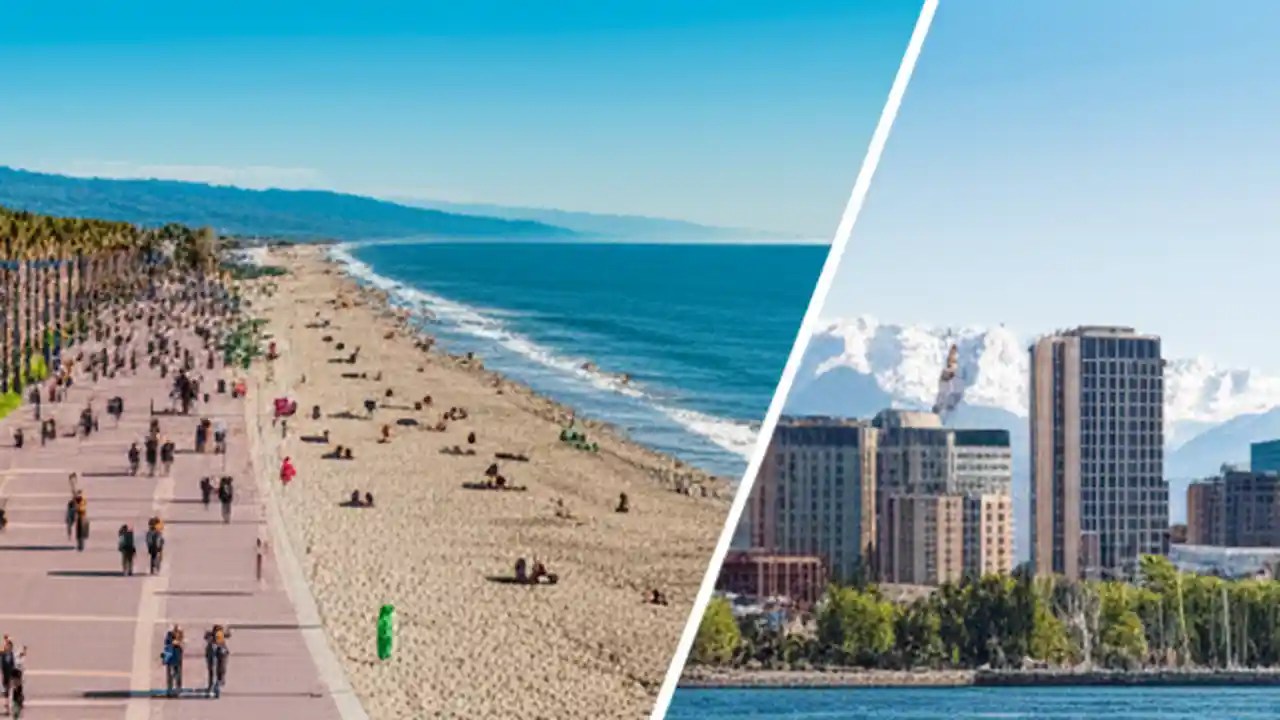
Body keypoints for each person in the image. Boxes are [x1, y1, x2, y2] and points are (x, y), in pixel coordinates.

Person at [162, 625, 184, 697]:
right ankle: (170, 689)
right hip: (171, 659)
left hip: (177, 659)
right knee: (171, 675)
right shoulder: (169, 637)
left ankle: (177, 689)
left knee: (178, 674)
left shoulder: (180, 638)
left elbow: (181, 645)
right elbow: (167, 645)